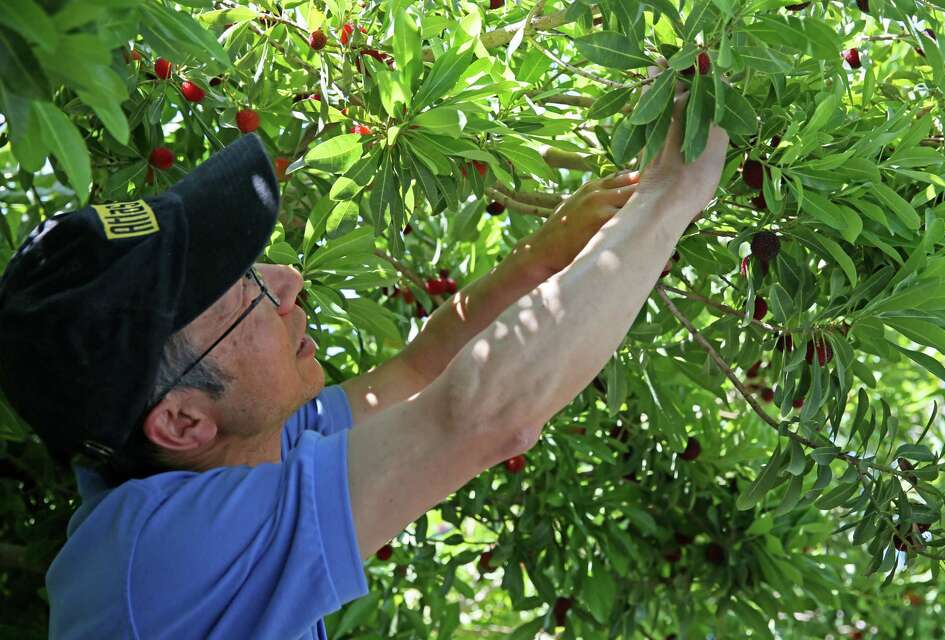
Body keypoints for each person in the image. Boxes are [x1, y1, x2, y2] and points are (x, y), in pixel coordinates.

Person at [0, 89, 727, 639]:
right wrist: (667, 201)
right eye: (247, 290)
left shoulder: (234, 450)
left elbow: (419, 373)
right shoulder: (155, 557)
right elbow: (479, 412)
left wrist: (548, 251)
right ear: (182, 419)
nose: (288, 279)